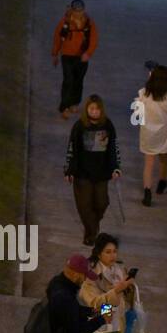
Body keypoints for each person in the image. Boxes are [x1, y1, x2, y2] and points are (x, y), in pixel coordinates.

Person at [64, 95, 122, 245]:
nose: (95, 112)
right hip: (83, 173)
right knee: (84, 205)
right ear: (87, 109)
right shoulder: (80, 126)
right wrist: (69, 170)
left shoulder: (107, 126)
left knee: (102, 202)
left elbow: (113, 148)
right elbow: (72, 148)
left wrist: (116, 167)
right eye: (92, 109)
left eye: (97, 109)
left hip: (102, 173)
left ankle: (93, 227)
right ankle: (91, 234)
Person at [135, 64, 167, 207]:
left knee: (148, 164)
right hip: (165, 132)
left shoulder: (143, 93)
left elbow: (138, 113)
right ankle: (162, 181)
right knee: (164, 159)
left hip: (148, 133)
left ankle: (147, 191)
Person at [52, 0, 97, 119]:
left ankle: (74, 103)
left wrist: (88, 53)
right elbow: (57, 39)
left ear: (84, 10)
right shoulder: (64, 22)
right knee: (68, 81)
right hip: (67, 56)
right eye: (76, 11)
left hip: (82, 58)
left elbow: (94, 41)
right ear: (72, 10)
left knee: (78, 81)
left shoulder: (89, 23)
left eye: (81, 11)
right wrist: (55, 54)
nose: (78, 13)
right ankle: (64, 107)